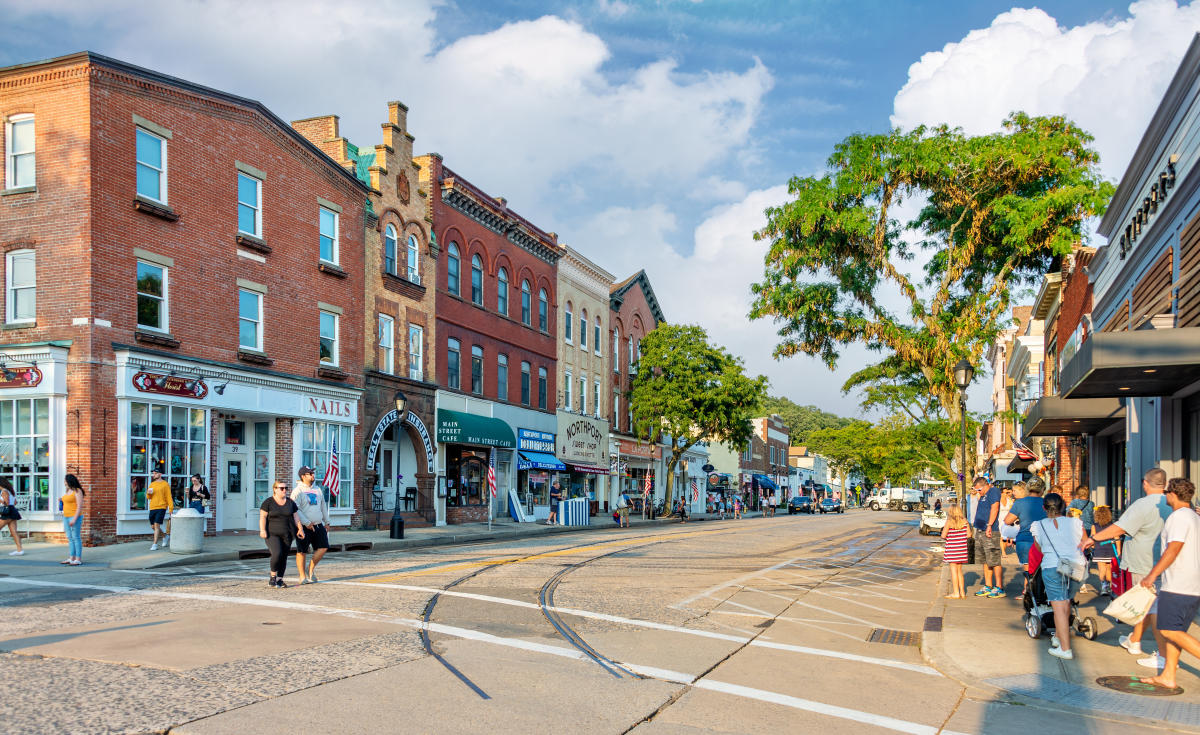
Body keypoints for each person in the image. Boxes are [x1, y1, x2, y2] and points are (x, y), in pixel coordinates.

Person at [1087, 468, 1172, 669]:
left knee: (1151, 607)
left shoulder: (1142, 505)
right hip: (1166, 562)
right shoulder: (1172, 504)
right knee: (1147, 605)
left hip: (1143, 562)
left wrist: (1094, 538)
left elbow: (1120, 527)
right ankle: (1135, 640)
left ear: (1145, 483)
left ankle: (1163, 655)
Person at [1138, 478, 1200, 690]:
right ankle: (1168, 676)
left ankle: (1168, 675)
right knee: (1175, 631)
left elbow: (1173, 549)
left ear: (1173, 494)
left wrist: (1152, 575)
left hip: (1178, 585)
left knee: (1167, 630)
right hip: (1192, 585)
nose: (1165, 496)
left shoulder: (1178, 517)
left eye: (1166, 493)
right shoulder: (1194, 517)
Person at [1031, 491, 1086, 660]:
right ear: (1063, 505)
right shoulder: (1076, 522)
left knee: (1059, 608)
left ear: (1044, 508)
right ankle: (1059, 636)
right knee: (1067, 601)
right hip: (1076, 566)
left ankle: (1065, 648)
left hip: (1053, 566)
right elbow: (1085, 542)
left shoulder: (1038, 525)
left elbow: (1039, 548)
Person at [1005, 478, 1046, 600]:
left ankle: (1027, 592)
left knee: (1028, 568)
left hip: (1025, 539)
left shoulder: (1020, 503)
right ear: (1042, 490)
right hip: (1044, 540)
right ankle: (1042, 593)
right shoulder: (1047, 503)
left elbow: (1007, 520)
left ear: (1028, 489)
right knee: (1044, 568)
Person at [259, 480, 304, 588]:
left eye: (286, 488)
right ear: (275, 489)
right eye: (282, 488)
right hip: (272, 534)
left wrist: (300, 529)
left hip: (288, 534)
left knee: (283, 556)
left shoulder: (290, 502)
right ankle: (273, 576)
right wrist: (262, 530)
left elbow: (296, 517)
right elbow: (263, 517)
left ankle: (280, 579)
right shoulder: (268, 502)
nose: (284, 490)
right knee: (277, 553)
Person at [292, 466, 331, 584]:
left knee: (323, 547)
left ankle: (310, 568)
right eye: (310, 473)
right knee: (302, 551)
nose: (313, 475)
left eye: (313, 473)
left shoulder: (318, 489)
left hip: (318, 525)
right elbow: (295, 509)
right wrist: (306, 523)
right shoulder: (298, 491)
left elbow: (323, 506)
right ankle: (302, 576)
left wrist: (327, 521)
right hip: (303, 527)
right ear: (303, 476)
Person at [971, 476, 1005, 598]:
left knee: (994, 559)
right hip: (980, 529)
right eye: (976, 490)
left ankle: (999, 587)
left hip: (990, 530)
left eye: (979, 490)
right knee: (985, 560)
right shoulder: (983, 494)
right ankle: (988, 585)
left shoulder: (993, 491)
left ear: (985, 485)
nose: (978, 492)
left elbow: (995, 508)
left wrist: (989, 525)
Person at [941, 504, 969, 599]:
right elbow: (969, 535)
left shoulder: (949, 522)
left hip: (952, 550)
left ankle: (956, 593)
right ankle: (962, 593)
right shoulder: (965, 521)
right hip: (962, 549)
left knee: (953, 572)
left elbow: (943, 535)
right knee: (959, 571)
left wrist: (950, 537)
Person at [1091, 505, 1120, 596]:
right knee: (1109, 569)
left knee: (1101, 569)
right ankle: (1110, 586)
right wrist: (1119, 549)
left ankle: (1104, 586)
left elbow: (1093, 538)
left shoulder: (1094, 526)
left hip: (1099, 549)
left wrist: (1092, 547)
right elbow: (1117, 537)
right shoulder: (1112, 525)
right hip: (1111, 549)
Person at [60, 474, 86, 566]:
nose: (64, 482)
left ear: (69, 481)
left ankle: (78, 559)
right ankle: (71, 558)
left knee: (76, 537)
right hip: (66, 516)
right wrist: (61, 500)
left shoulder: (78, 491)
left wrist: (74, 519)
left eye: (65, 480)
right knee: (70, 538)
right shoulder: (68, 490)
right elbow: (68, 501)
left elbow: (79, 506)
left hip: (74, 517)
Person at [146, 468, 174, 550]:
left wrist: (171, 508)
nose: (154, 475)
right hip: (152, 507)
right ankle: (165, 536)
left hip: (162, 507)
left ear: (160, 474)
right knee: (153, 526)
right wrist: (148, 493)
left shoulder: (165, 484)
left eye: (155, 473)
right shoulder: (152, 484)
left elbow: (169, 497)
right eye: (153, 473)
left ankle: (154, 544)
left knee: (156, 525)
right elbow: (148, 497)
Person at [0, 477, 23, 556]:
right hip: (13, 511)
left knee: (14, 532)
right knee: (14, 532)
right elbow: (15, 502)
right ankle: (20, 550)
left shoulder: (4, 491)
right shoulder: (10, 491)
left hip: (7, 513)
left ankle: (19, 550)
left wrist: (0, 501)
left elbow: (6, 502)